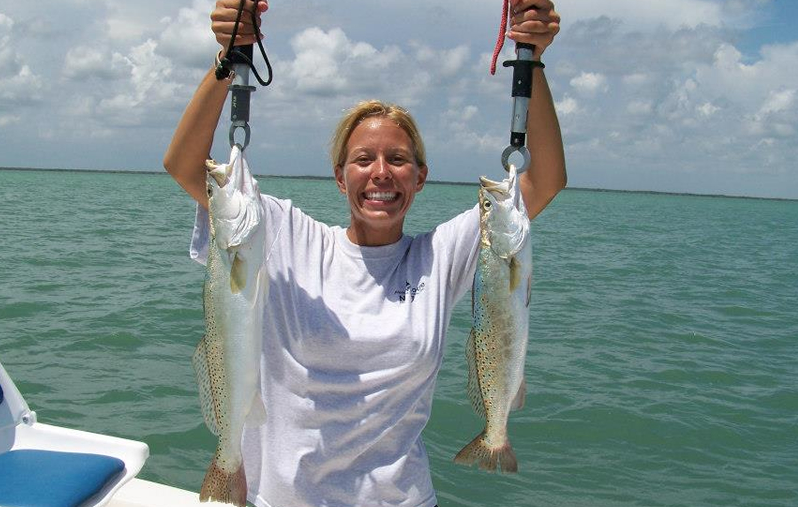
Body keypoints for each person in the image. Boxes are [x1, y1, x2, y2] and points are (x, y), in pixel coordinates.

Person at [164, 1, 564, 506]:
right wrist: (227, 58)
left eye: (398, 160)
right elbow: (183, 165)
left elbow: (544, 180)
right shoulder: (285, 234)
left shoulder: (442, 256)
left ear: (420, 178)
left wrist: (534, 61)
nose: (381, 173)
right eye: (363, 160)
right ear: (339, 177)